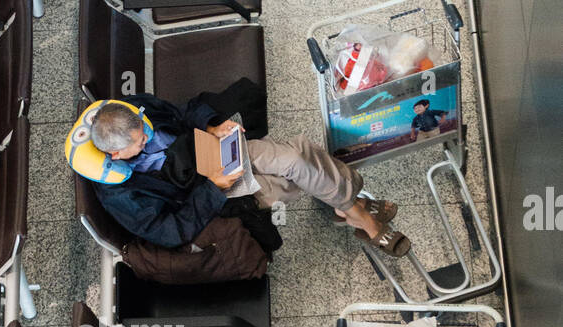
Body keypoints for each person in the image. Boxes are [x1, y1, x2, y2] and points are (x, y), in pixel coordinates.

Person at [86, 87, 412, 257]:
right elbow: (168, 231)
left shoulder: (135, 111)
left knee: (296, 159)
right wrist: (213, 188)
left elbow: (183, 110)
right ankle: (352, 207)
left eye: (145, 130)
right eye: (140, 142)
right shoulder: (119, 193)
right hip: (208, 196)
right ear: (115, 153)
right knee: (294, 171)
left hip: (214, 151)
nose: (147, 136)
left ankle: (353, 212)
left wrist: (212, 124)